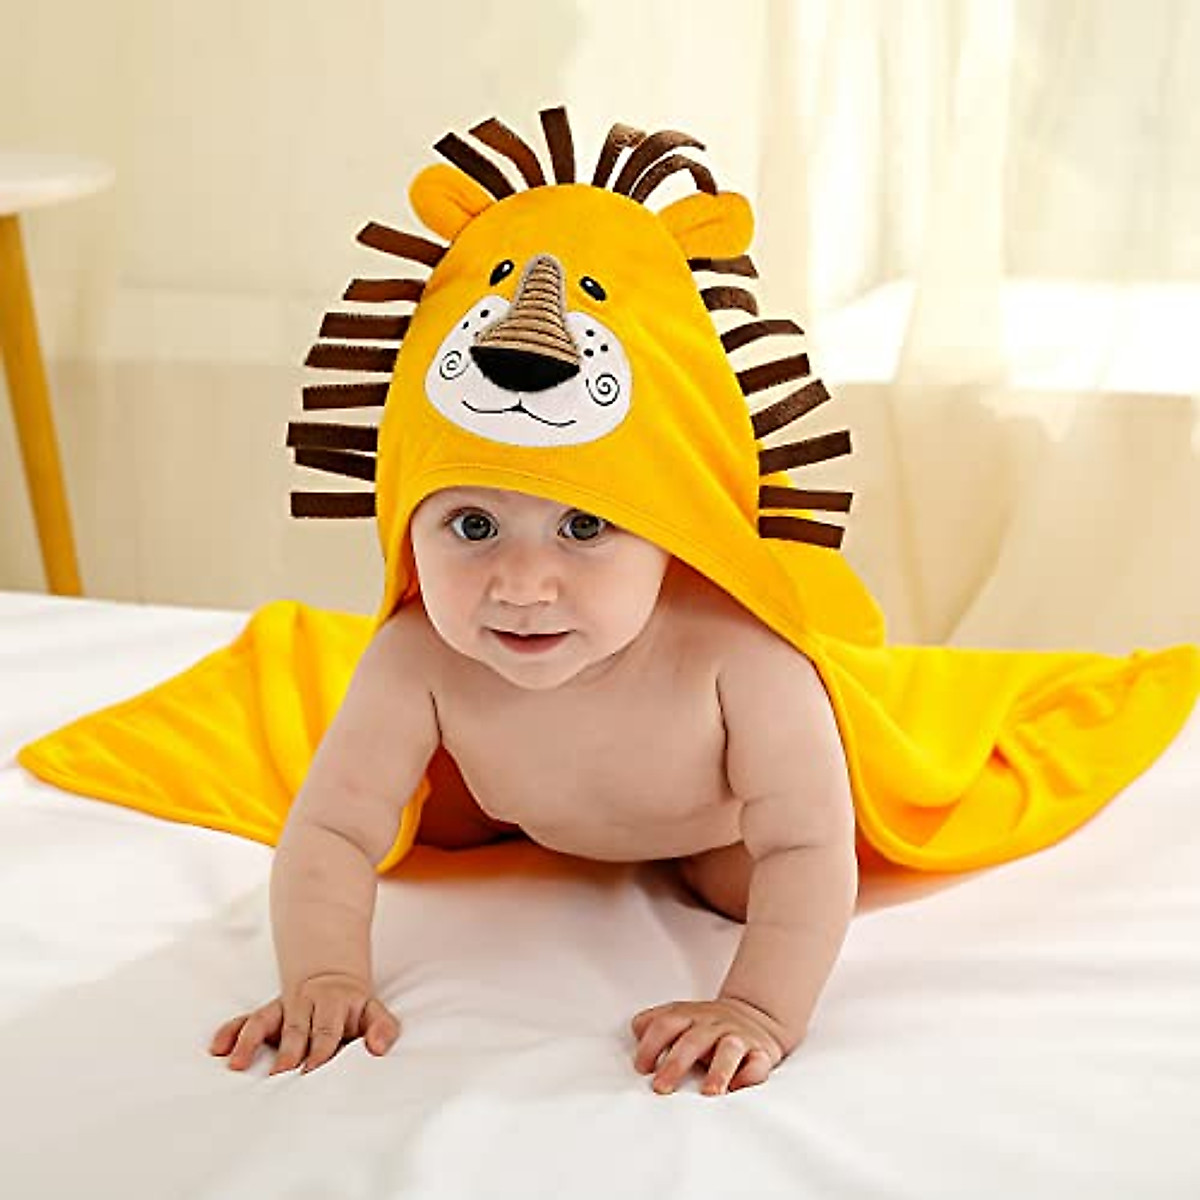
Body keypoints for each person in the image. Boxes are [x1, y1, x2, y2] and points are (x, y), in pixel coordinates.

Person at [209, 483, 858, 1097]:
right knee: (447, 828)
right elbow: (334, 827)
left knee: (748, 890)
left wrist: (757, 1011)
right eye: (474, 526)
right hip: (525, 817)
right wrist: (324, 975)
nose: (522, 586)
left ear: (674, 529)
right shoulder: (417, 655)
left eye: (585, 525)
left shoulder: (742, 651)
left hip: (720, 834)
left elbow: (806, 843)